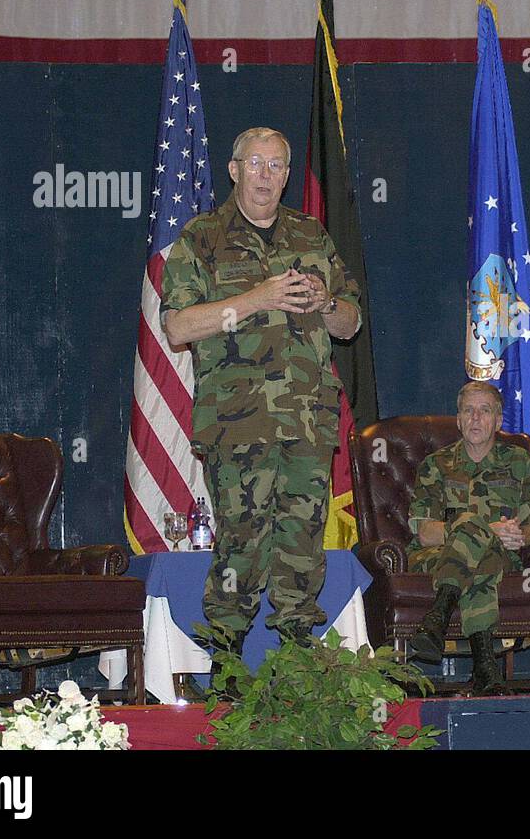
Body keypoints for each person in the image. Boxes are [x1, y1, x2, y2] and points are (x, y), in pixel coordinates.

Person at [160, 126, 361, 669]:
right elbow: (179, 326)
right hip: (237, 423)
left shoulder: (311, 235)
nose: (266, 177)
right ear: (234, 169)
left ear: (288, 174)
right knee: (241, 542)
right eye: (255, 165)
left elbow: (350, 322)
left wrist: (323, 303)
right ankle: (225, 660)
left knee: (301, 544)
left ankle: (297, 657)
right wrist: (259, 296)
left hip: (308, 421)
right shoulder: (202, 237)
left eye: (277, 166)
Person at [406, 381, 530, 696]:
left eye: (485, 411)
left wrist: (518, 537)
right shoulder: (435, 465)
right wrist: (485, 529)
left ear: (498, 420)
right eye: (468, 411)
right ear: (458, 420)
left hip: (499, 557)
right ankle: (486, 669)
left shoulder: (519, 463)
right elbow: (426, 533)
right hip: (436, 558)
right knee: (474, 535)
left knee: (484, 554)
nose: (475, 419)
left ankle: (437, 619)